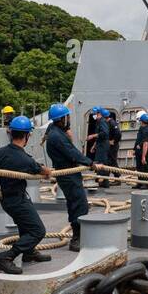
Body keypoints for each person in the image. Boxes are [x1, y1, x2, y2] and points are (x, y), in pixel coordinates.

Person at [0, 116, 53, 274]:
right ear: (27, 135)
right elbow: (44, 171)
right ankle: (7, 259)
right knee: (38, 231)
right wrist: (48, 172)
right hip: (17, 200)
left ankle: (29, 253)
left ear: (11, 133)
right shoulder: (25, 160)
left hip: (5, 199)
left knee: (25, 226)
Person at [45, 103, 94, 250]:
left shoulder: (56, 131)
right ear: (61, 119)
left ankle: (80, 235)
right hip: (67, 174)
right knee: (78, 204)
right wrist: (91, 163)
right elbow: (72, 153)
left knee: (77, 203)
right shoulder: (56, 136)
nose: (69, 119)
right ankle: (77, 239)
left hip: (70, 172)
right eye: (67, 117)